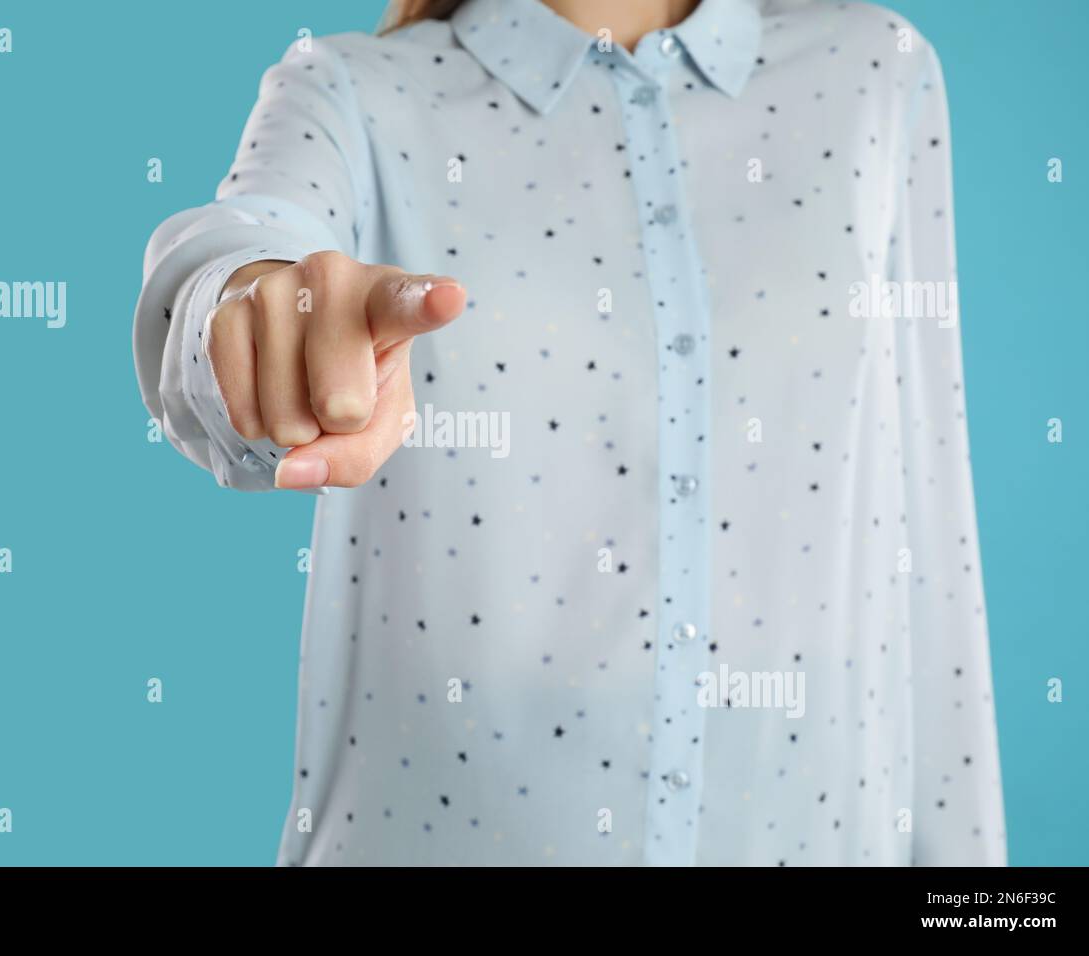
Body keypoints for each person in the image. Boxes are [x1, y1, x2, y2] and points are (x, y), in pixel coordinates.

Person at [131, 0, 1005, 866]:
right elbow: (244, 248)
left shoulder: (876, 71)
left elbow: (926, 521)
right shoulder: (349, 93)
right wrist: (257, 308)